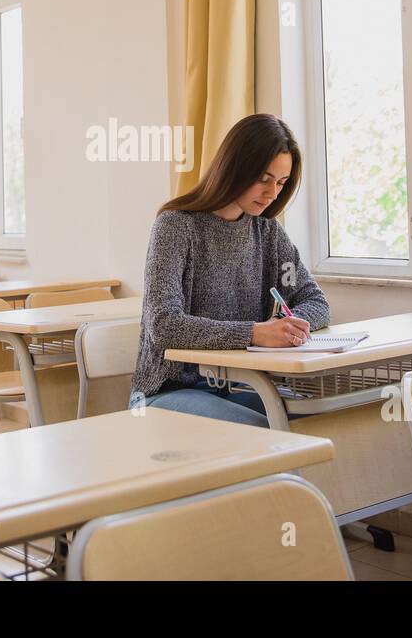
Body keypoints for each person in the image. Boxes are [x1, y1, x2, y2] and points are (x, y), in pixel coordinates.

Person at [131, 113, 330, 427]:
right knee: (267, 429)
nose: (272, 193)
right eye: (264, 179)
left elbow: (315, 301)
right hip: (166, 392)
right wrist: (255, 333)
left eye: (281, 182)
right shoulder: (175, 227)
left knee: (321, 416)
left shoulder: (269, 234)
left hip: (241, 384)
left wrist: (286, 327)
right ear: (234, 168)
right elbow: (163, 324)